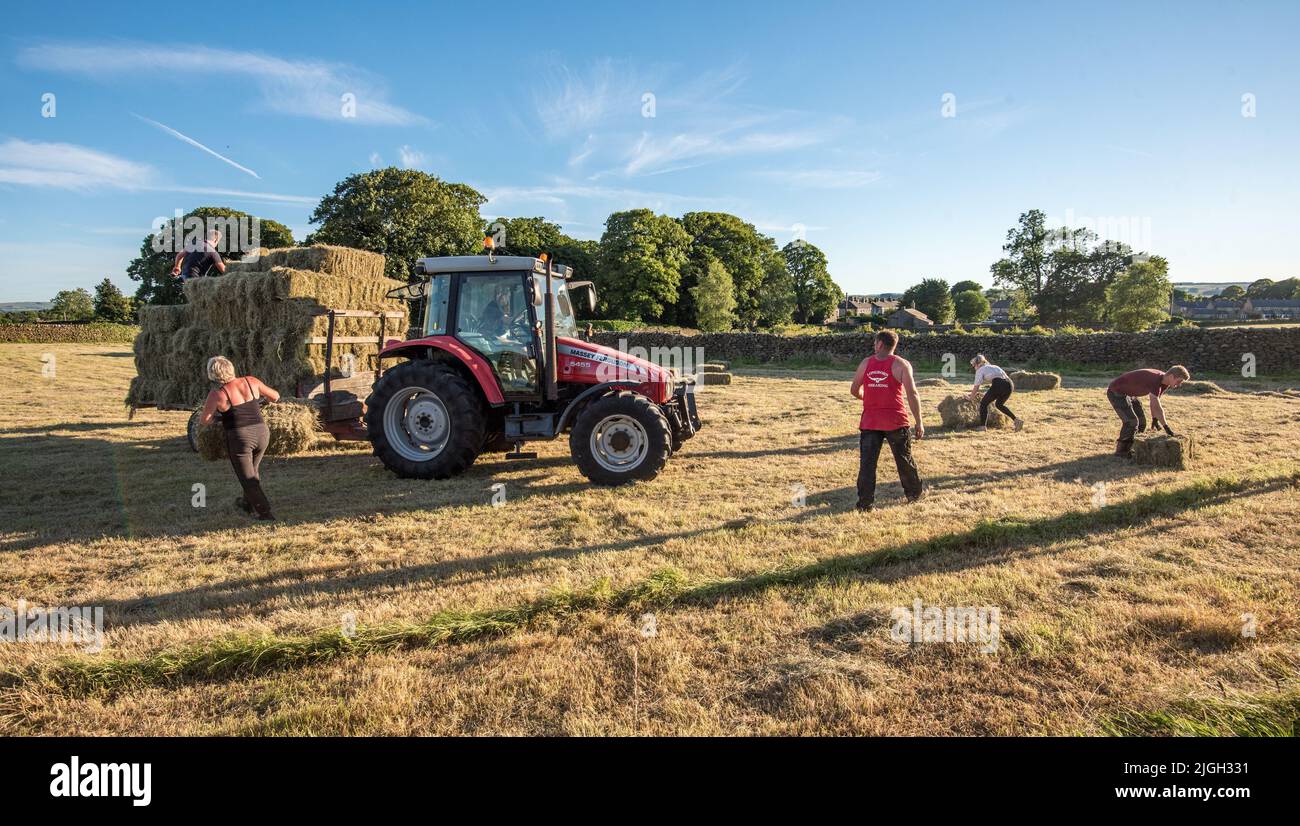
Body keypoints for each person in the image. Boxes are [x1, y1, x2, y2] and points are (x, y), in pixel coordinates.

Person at [850, 330, 925, 511]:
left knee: (867, 464)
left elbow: (854, 389)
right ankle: (914, 495)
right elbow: (912, 394)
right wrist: (919, 421)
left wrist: (868, 398)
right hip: (896, 421)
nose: (874, 345)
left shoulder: (866, 363)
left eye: (875, 342)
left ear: (880, 344)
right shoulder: (902, 365)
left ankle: (865, 504)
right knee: (904, 460)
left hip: (870, 422)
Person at [199, 356, 279, 520]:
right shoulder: (251, 381)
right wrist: (262, 401)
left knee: (247, 478)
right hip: (262, 432)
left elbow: (205, 420)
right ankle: (247, 504)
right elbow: (275, 396)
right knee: (253, 471)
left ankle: (265, 513)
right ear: (231, 368)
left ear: (212, 374)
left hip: (240, 437)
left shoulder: (217, 394)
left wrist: (221, 419)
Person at [1106, 365, 1190, 457]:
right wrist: (1166, 427)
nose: (1179, 385)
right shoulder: (1155, 380)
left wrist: (1155, 419)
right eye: (1179, 381)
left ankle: (1134, 447)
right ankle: (1121, 451)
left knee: (1142, 422)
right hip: (1116, 391)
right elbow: (1158, 407)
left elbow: (1154, 402)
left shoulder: (1164, 382)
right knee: (1131, 422)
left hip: (1130, 394)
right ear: (1171, 376)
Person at [967, 354, 1025, 432]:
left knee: (984, 404)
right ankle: (1017, 421)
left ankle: (983, 426)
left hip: (999, 384)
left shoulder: (980, 370)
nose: (974, 368)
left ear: (978, 364)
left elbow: (976, 387)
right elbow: (996, 383)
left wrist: (971, 398)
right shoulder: (993, 366)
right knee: (999, 405)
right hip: (1010, 384)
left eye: (974, 366)